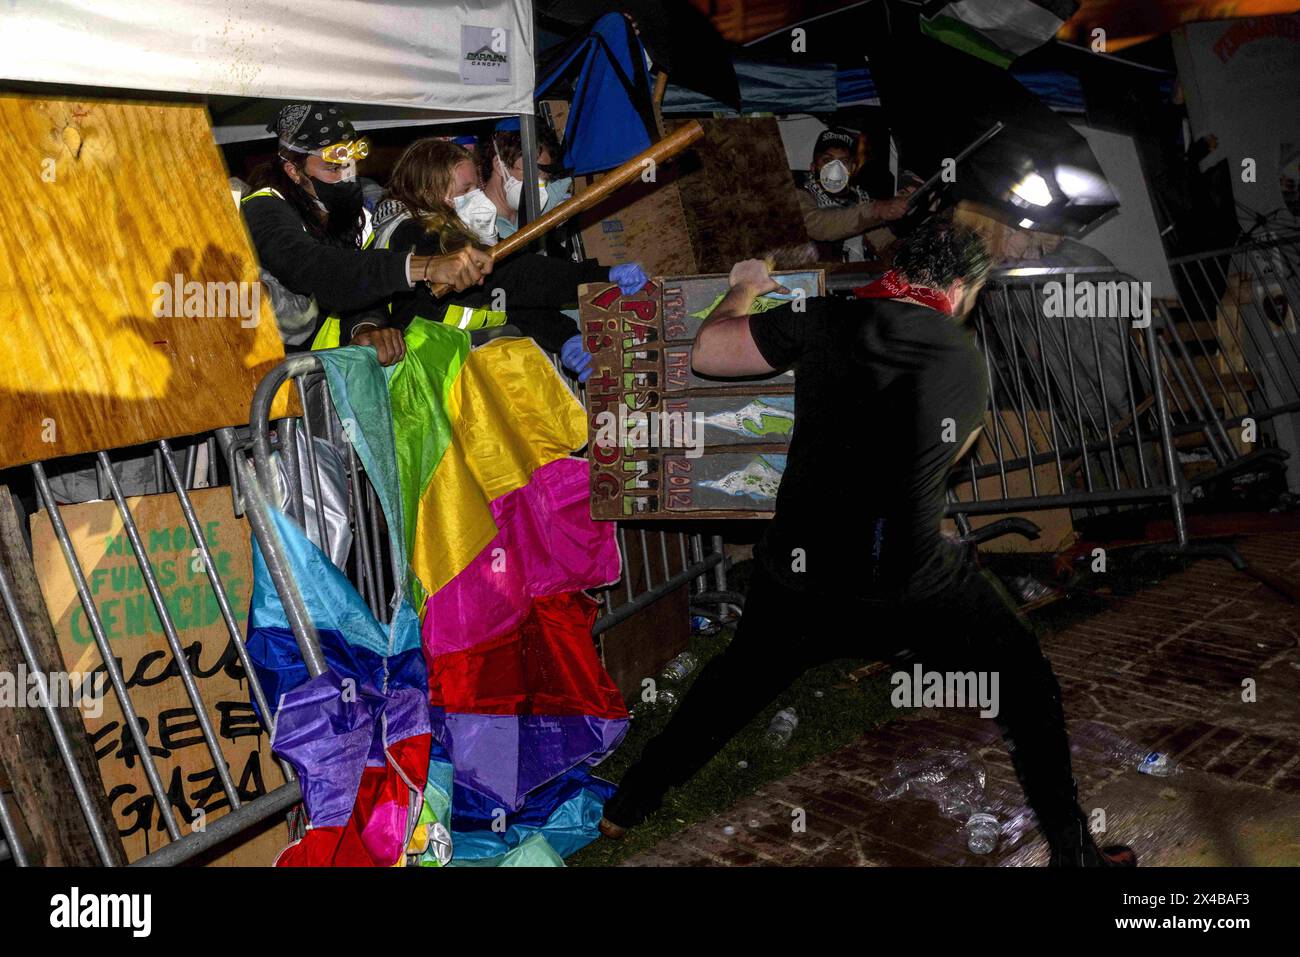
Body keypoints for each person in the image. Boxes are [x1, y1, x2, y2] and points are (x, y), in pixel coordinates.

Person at [598, 219, 1136, 867]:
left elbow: (708, 351)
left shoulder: (824, 317)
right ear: (962, 287)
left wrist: (742, 287)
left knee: (731, 686)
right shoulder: (965, 357)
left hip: (804, 573)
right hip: (911, 582)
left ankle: (629, 804)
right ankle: (1076, 855)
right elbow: (950, 456)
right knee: (1025, 683)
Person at [368, 136, 647, 381]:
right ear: (430, 192)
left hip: (446, 373)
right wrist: (596, 277)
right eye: (465, 190)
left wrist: (563, 336)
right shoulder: (418, 237)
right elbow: (516, 276)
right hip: (427, 379)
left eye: (476, 187)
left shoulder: (427, 234)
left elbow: (500, 301)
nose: (476, 197)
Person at [241, 103, 494, 364]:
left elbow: (355, 282)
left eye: (351, 165)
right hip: (265, 367)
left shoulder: (342, 211)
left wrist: (365, 328)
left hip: (320, 371)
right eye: (333, 168)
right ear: (293, 171)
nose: (348, 177)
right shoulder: (264, 207)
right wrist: (422, 267)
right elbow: (315, 268)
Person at [799, 126, 912, 262]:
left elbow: (882, 241)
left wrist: (908, 253)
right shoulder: (799, 195)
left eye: (843, 161)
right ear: (813, 167)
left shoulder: (859, 198)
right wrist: (876, 210)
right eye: (827, 160)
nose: (835, 168)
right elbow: (820, 225)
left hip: (850, 277)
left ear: (851, 168)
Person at [478, 118, 572, 241]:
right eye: (533, 173)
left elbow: (570, 172)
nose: (539, 185)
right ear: (499, 165)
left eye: (545, 178)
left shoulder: (538, 205)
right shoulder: (479, 227)